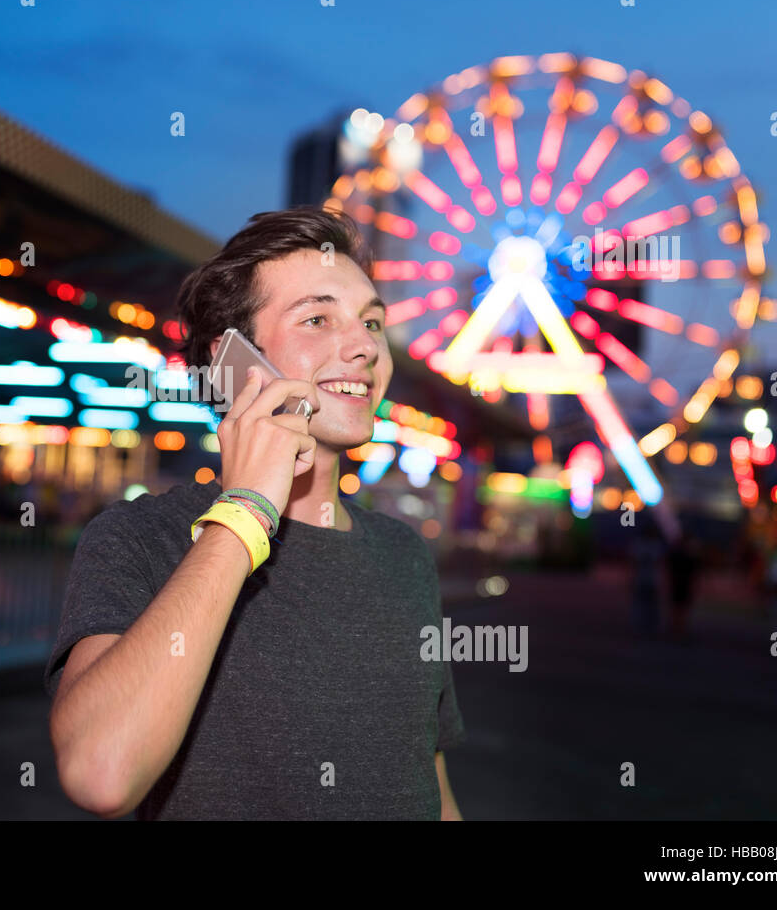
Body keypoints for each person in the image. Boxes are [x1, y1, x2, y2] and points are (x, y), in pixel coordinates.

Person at [44, 206, 466, 819]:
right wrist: (244, 514)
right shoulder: (140, 538)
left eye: (372, 322)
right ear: (232, 362)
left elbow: (430, 778)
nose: (365, 347)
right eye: (318, 318)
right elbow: (101, 774)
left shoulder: (404, 555)